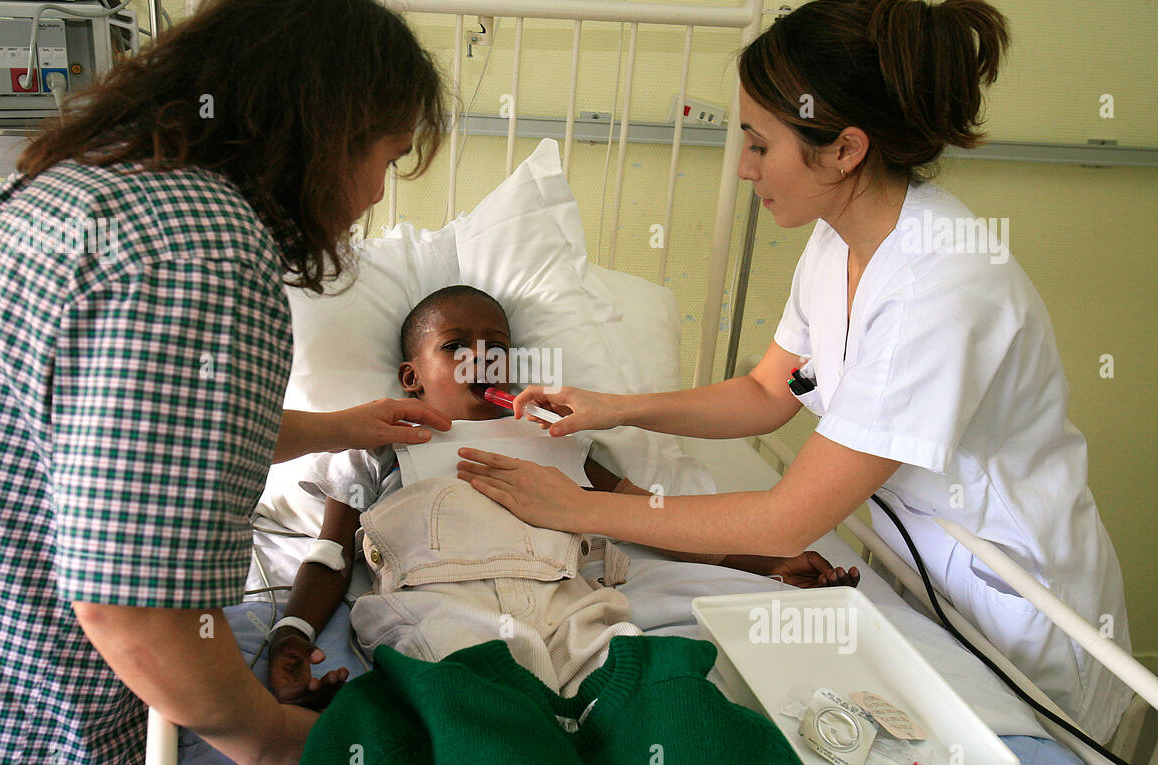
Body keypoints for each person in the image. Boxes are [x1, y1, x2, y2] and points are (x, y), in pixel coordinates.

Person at [456, 0, 1133, 745]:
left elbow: (789, 520)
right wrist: (615, 408)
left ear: (844, 149)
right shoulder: (838, 239)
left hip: (1015, 606)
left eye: (759, 143)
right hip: (918, 581)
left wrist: (575, 508)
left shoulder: (941, 287)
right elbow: (765, 392)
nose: (744, 168)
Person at [0, 0, 453, 765]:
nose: (374, 198)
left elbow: (131, 446)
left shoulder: (63, 188)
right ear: (330, 131)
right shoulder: (206, 255)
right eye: (385, 159)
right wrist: (270, 739)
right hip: (20, 752)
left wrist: (342, 426)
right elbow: (131, 610)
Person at [268, 285, 858, 709]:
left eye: (496, 347)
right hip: (444, 608)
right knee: (477, 708)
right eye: (454, 346)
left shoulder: (556, 439)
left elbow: (654, 520)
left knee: (663, 695)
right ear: (410, 378)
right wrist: (293, 630)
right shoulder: (379, 442)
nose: (480, 358)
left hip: (569, 606)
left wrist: (770, 563)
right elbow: (330, 554)